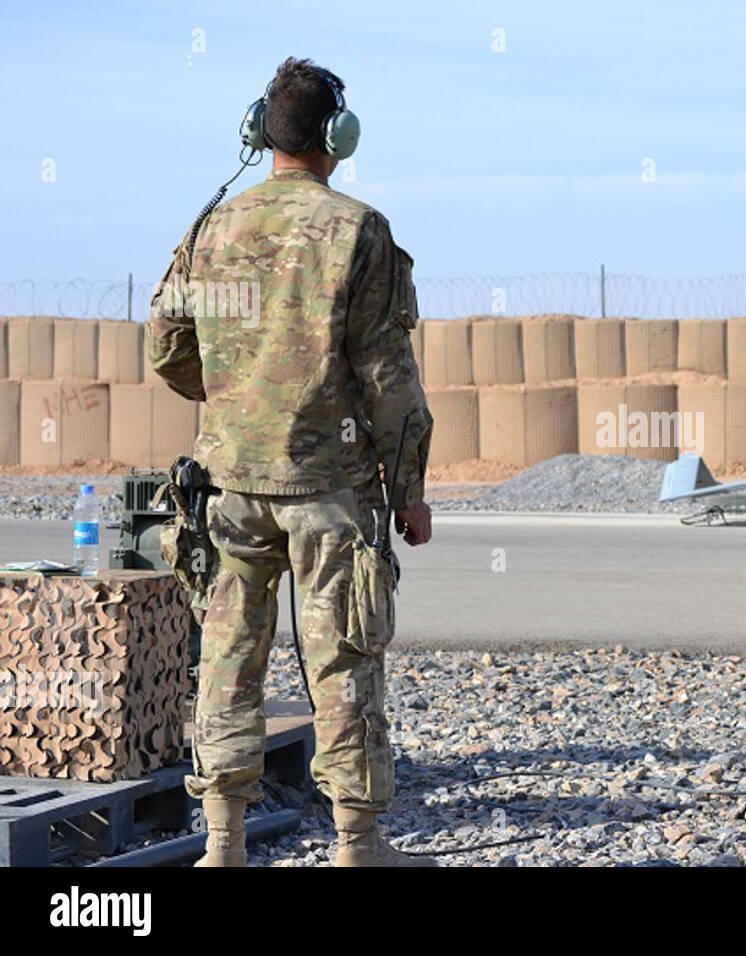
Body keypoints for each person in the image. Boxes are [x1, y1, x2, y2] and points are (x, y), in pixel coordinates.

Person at [148, 56, 434, 866]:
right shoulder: (358, 230)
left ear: (259, 132)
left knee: (228, 664)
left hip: (231, 488)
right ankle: (356, 844)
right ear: (338, 136)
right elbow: (388, 378)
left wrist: (236, 392)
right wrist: (408, 488)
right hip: (329, 493)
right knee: (341, 657)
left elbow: (168, 346)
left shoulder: (213, 228)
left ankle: (223, 843)